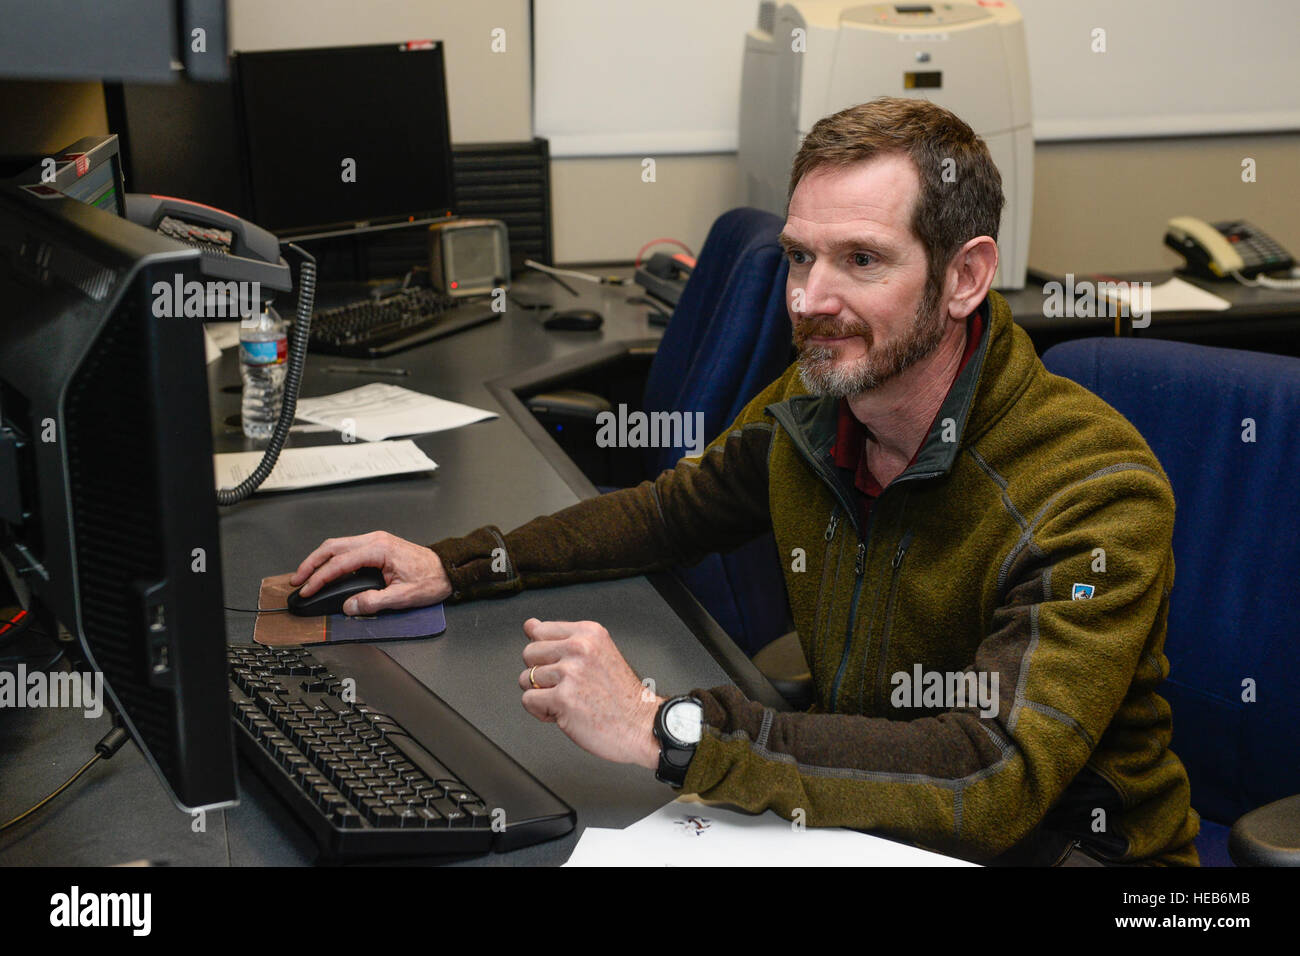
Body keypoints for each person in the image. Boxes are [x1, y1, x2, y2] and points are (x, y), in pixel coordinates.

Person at [290, 97, 1199, 866]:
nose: (808, 300)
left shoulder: (1093, 492)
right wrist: (458, 564)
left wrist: (669, 728)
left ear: (965, 277)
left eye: (862, 259)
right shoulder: (821, 401)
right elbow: (669, 514)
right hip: (875, 818)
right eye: (801, 257)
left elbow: (989, 771)